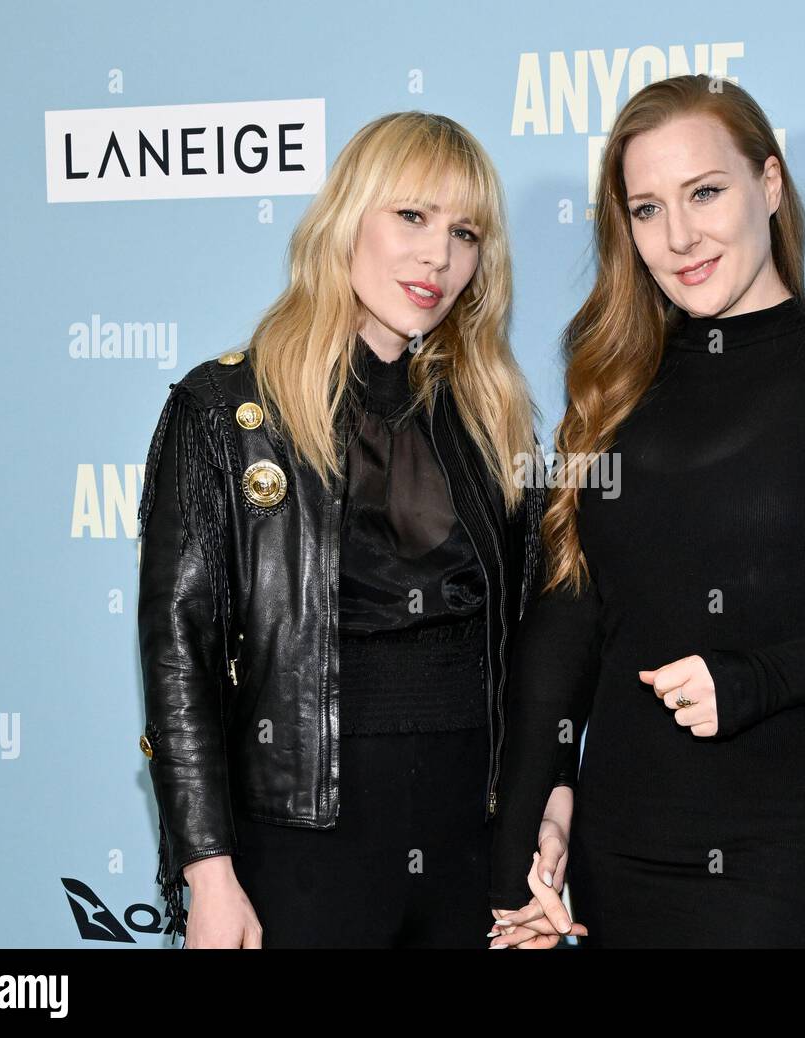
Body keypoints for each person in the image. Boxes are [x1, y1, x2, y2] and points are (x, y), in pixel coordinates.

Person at [486, 74, 805, 948]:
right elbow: (568, 623)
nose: (678, 236)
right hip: (614, 848)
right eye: (646, 209)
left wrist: (758, 679)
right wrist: (538, 810)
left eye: (705, 193)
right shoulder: (609, 386)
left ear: (769, 184)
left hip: (787, 850)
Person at [136, 111, 544, 948]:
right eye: (412, 216)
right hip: (302, 840)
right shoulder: (225, 413)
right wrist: (208, 874)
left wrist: (537, 823)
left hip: (473, 838)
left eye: (465, 232)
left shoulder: (493, 420)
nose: (438, 255)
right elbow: (179, 655)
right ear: (346, 217)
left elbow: (535, 641)